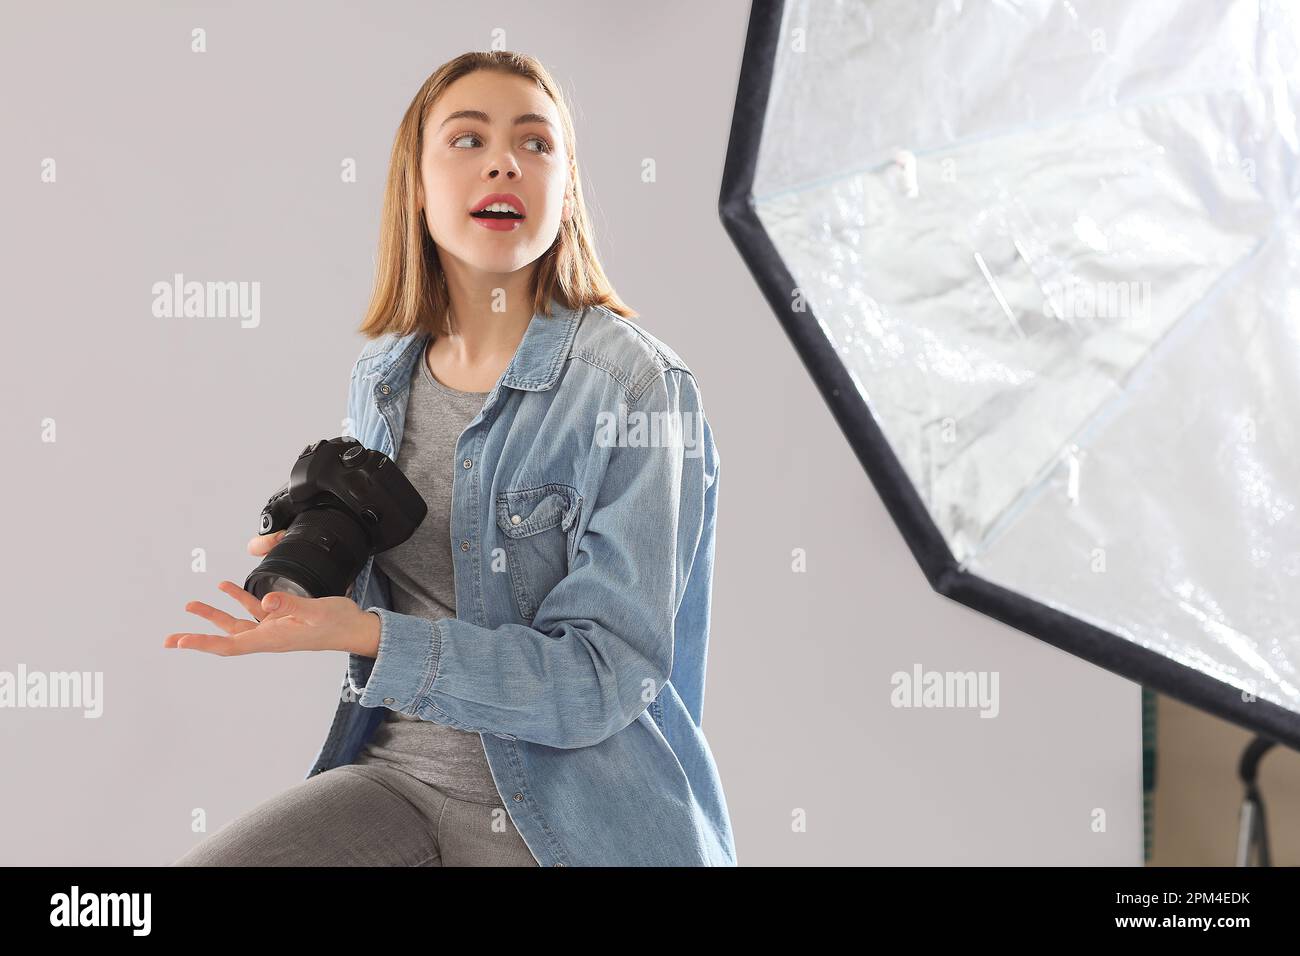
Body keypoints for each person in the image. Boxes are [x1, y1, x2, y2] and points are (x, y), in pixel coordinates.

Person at [165, 50, 734, 867]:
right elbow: (401, 584)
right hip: (399, 784)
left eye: (536, 144)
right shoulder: (383, 378)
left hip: (576, 819)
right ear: (418, 187)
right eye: (467, 140)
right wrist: (311, 560)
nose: (505, 159)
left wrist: (367, 634)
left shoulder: (637, 390)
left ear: (566, 191)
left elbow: (604, 675)